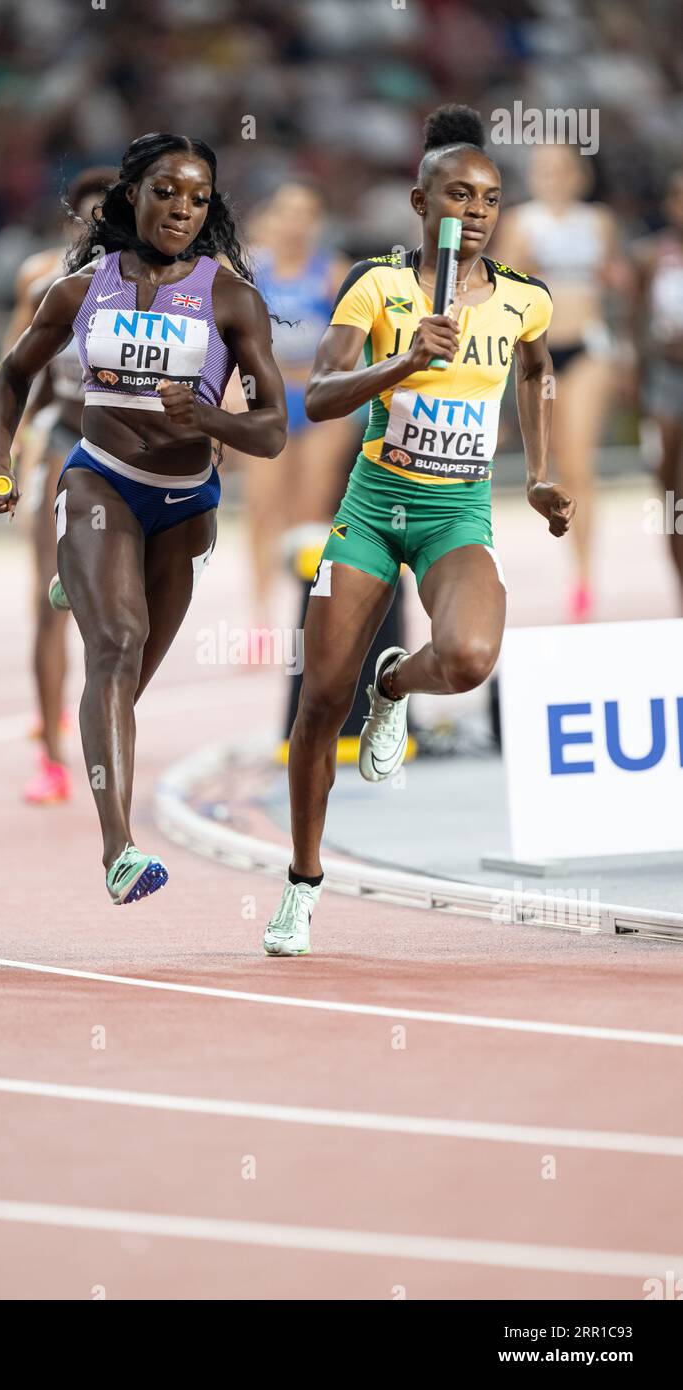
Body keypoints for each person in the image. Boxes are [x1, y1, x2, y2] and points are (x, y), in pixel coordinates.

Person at [263, 104, 575, 957]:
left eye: (490, 198)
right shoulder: (378, 286)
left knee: (471, 658)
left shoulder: (523, 301)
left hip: (454, 514)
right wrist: (403, 359)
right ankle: (302, 883)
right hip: (371, 512)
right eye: (458, 195)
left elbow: (538, 371)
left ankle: (395, 685)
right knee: (321, 703)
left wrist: (541, 473)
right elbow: (320, 398)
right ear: (419, 201)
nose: (475, 211)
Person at [0, 133, 286, 904]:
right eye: (166, 191)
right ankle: (120, 850)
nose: (182, 208)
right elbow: (14, 374)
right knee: (116, 647)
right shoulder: (79, 289)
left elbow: (275, 430)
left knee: (128, 683)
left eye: (198, 197)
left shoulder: (230, 297)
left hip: (187, 504)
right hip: (99, 482)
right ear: (131, 196)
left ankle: (80, 588)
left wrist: (210, 419)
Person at [2, 168, 115, 805]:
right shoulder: (46, 281)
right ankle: (52, 756)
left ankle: (104, 724)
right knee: (50, 601)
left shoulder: (158, 288)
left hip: (124, 458)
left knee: (115, 613)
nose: (99, 230)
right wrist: (12, 452)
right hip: (59, 440)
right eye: (89, 218)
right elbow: (22, 366)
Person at [494, 144, 626, 622]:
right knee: (554, 466)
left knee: (580, 462)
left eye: (562, 168)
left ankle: (584, 577)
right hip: (543, 353)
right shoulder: (521, 223)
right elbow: (506, 292)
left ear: (579, 175)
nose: (554, 177)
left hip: (589, 346)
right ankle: (570, 559)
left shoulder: (599, 222)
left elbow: (616, 281)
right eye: (545, 170)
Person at [230, 182, 353, 652]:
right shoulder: (251, 271)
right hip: (268, 398)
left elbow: (359, 332)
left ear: (316, 221)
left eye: (306, 213)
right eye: (288, 212)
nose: (296, 222)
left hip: (319, 400)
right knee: (263, 509)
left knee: (310, 513)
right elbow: (229, 334)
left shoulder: (332, 270)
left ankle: (306, 619)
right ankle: (259, 618)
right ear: (272, 219)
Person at [632, 169, 683, 606]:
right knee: (671, 493)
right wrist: (636, 373)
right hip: (667, 378)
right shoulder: (652, 257)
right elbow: (636, 323)